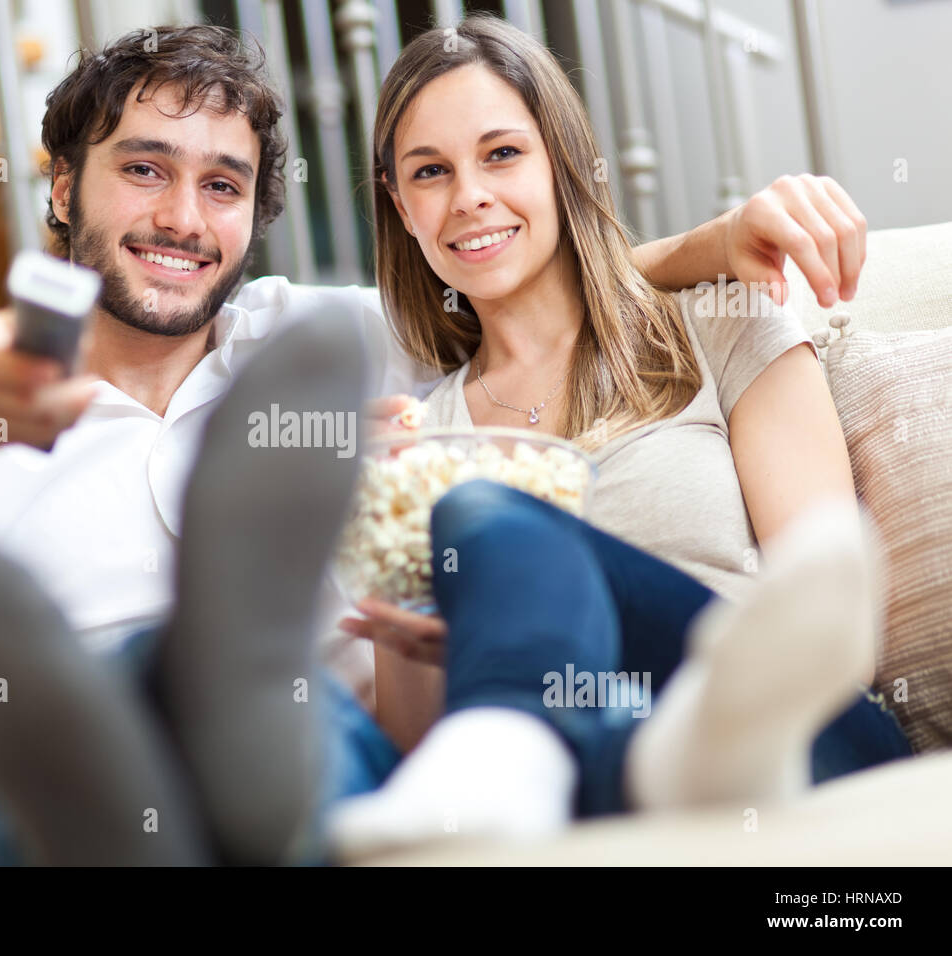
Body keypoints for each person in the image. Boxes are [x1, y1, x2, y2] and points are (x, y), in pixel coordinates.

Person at [0, 23, 881, 865]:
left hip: (307, 747)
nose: (182, 214)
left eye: (221, 184)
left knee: (326, 672)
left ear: (254, 217)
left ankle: (207, 711)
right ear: (59, 184)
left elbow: (524, 282)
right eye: (142, 168)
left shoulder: (323, 344)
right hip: (37, 768)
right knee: (41, 762)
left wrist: (712, 244)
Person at [321, 13, 908, 855]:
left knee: (489, 510)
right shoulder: (430, 434)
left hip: (807, 735)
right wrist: (408, 609)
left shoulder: (722, 319)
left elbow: (831, 607)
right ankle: (648, 760)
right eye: (429, 172)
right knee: (502, 577)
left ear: (562, 162)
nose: (469, 197)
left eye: (502, 153)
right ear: (400, 205)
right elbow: (427, 758)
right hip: (582, 771)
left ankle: (688, 742)